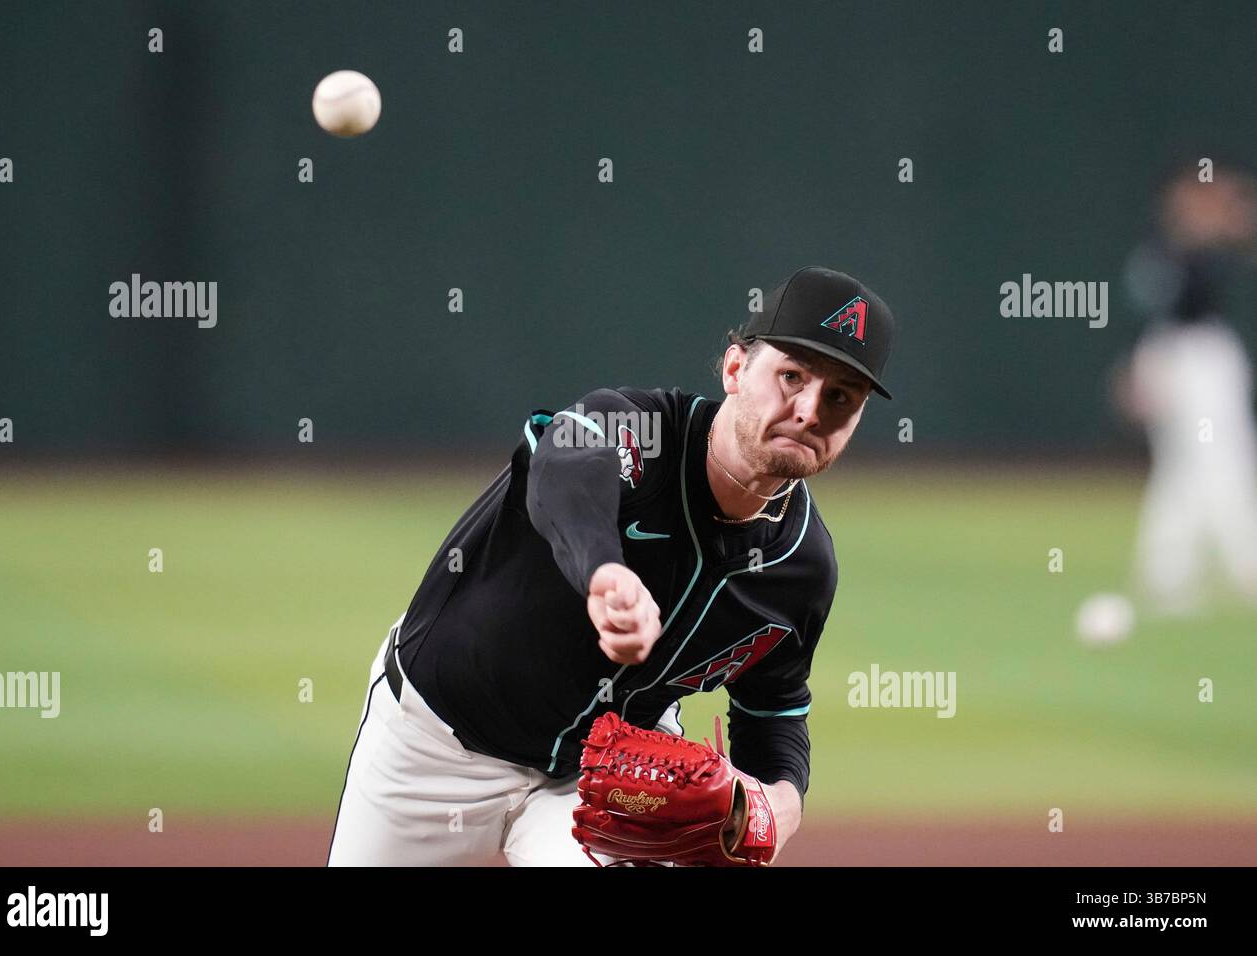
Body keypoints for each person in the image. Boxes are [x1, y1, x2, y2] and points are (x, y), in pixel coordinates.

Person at [328, 266, 896, 866]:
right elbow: (565, 470)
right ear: (735, 369)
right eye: (791, 377)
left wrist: (785, 800)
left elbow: (773, 706)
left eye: (840, 398)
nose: (809, 411)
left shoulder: (802, 566)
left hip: (600, 785)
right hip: (431, 747)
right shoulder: (639, 430)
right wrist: (603, 571)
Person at [1119, 164, 1257, 615]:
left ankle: (1170, 574)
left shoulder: (1197, 249)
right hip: (1186, 359)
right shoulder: (1164, 253)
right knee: (1215, 461)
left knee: (1199, 466)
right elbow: (1165, 311)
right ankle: (1231, 568)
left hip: (1195, 355)